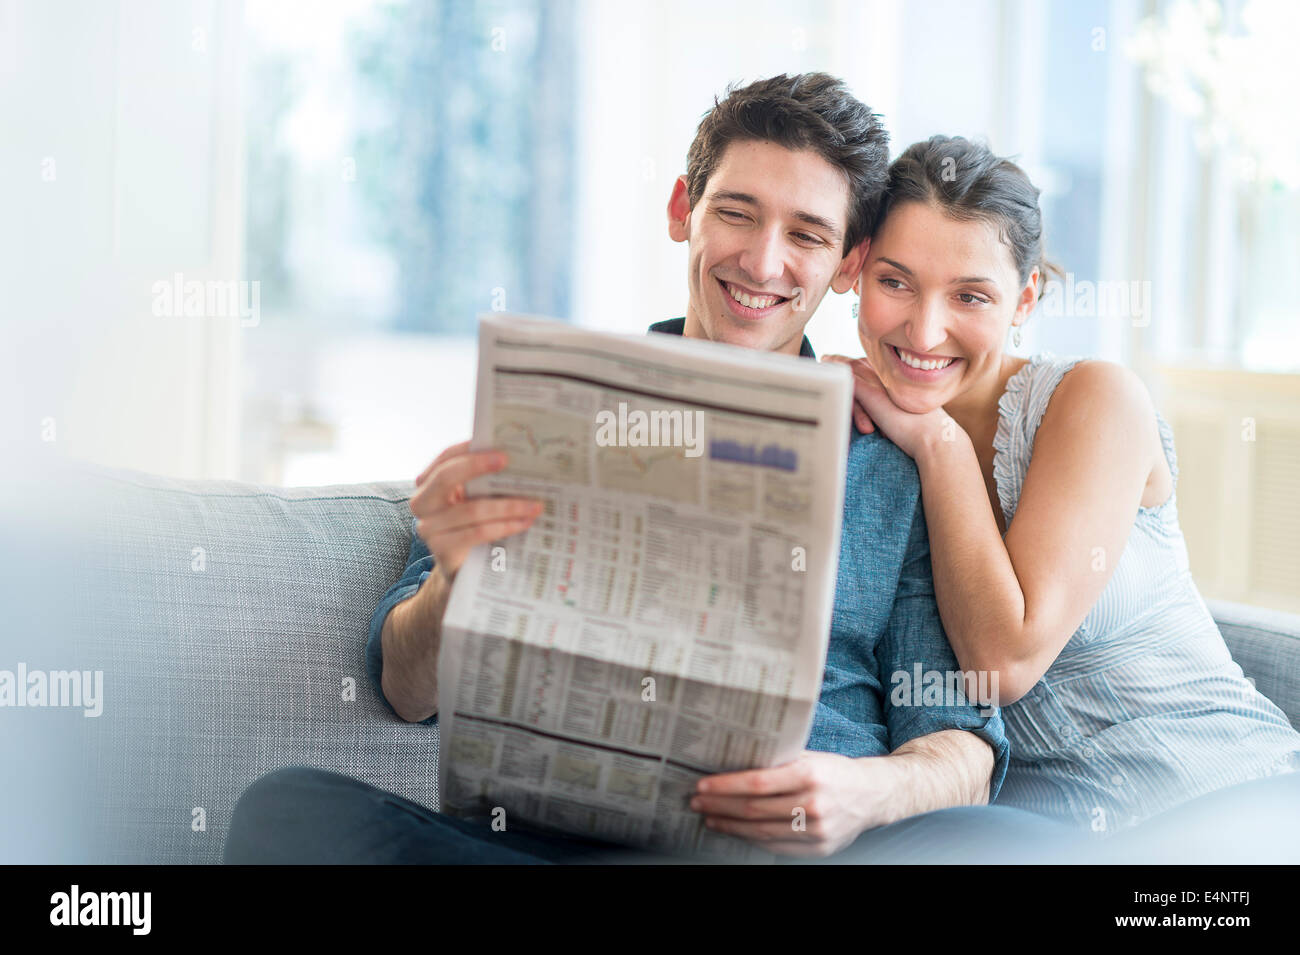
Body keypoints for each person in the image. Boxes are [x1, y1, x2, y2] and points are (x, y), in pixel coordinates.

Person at [224, 76, 1079, 865]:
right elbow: (405, 688)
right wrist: (457, 578)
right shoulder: (550, 401)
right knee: (290, 810)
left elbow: (966, 746)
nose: (763, 261)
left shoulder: (896, 465)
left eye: (807, 235)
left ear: (848, 262)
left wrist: (867, 792)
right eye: (737, 214)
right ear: (685, 210)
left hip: (779, 853)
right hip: (548, 843)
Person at [824, 135, 1300, 845]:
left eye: (970, 295)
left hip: (1236, 803)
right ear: (856, 273)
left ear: (1026, 296)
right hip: (1055, 843)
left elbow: (1003, 661)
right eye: (896, 282)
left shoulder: (1093, 399)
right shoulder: (861, 430)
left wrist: (937, 440)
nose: (925, 328)